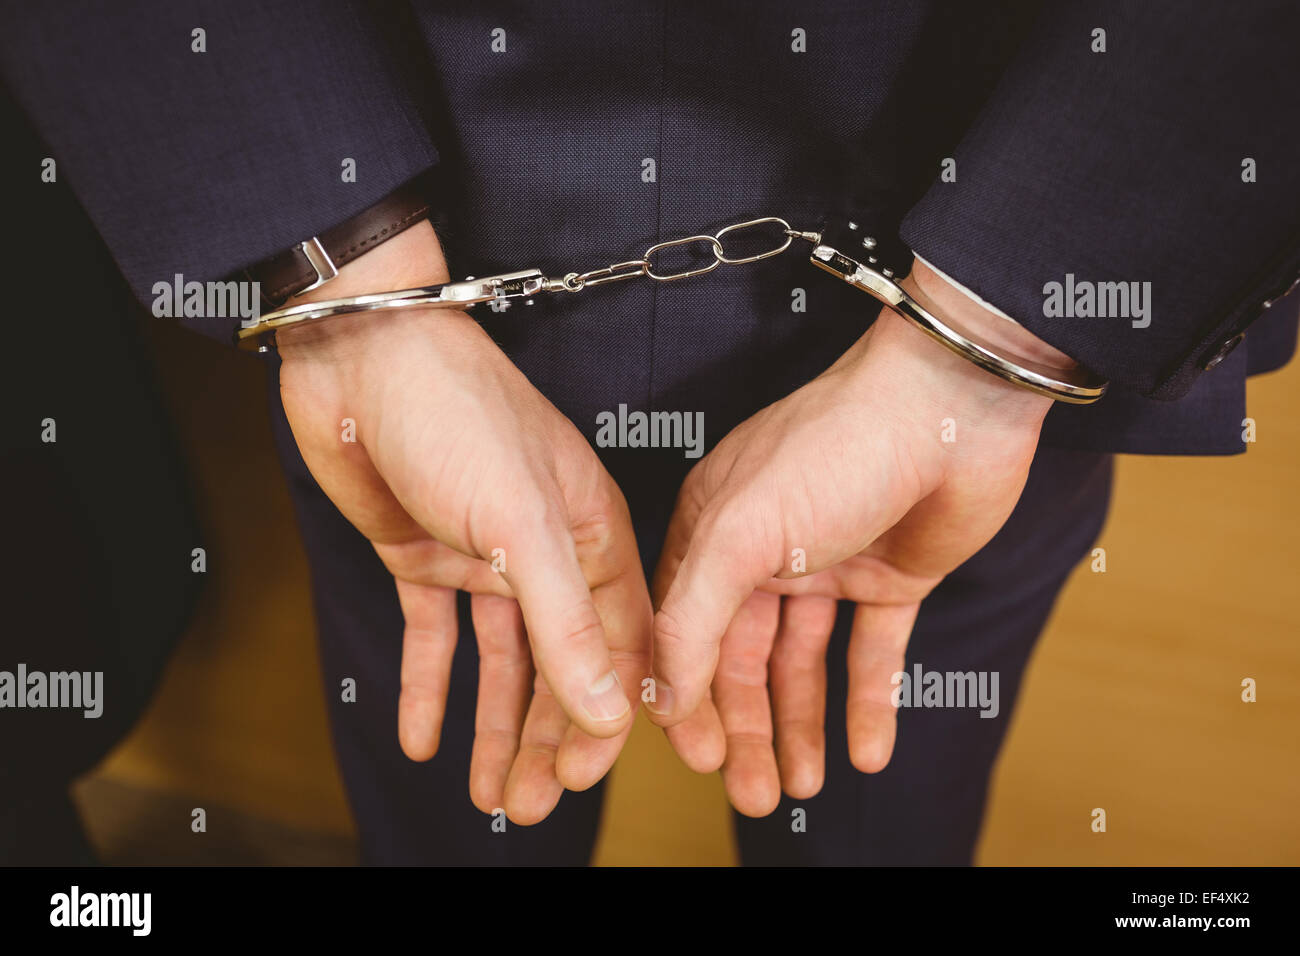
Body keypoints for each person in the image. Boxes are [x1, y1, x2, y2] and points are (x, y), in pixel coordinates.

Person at [3, 0, 1296, 865]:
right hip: (422, 309)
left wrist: (1002, 341)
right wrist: (347, 299)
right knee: (468, 769)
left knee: (869, 782)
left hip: (969, 265)